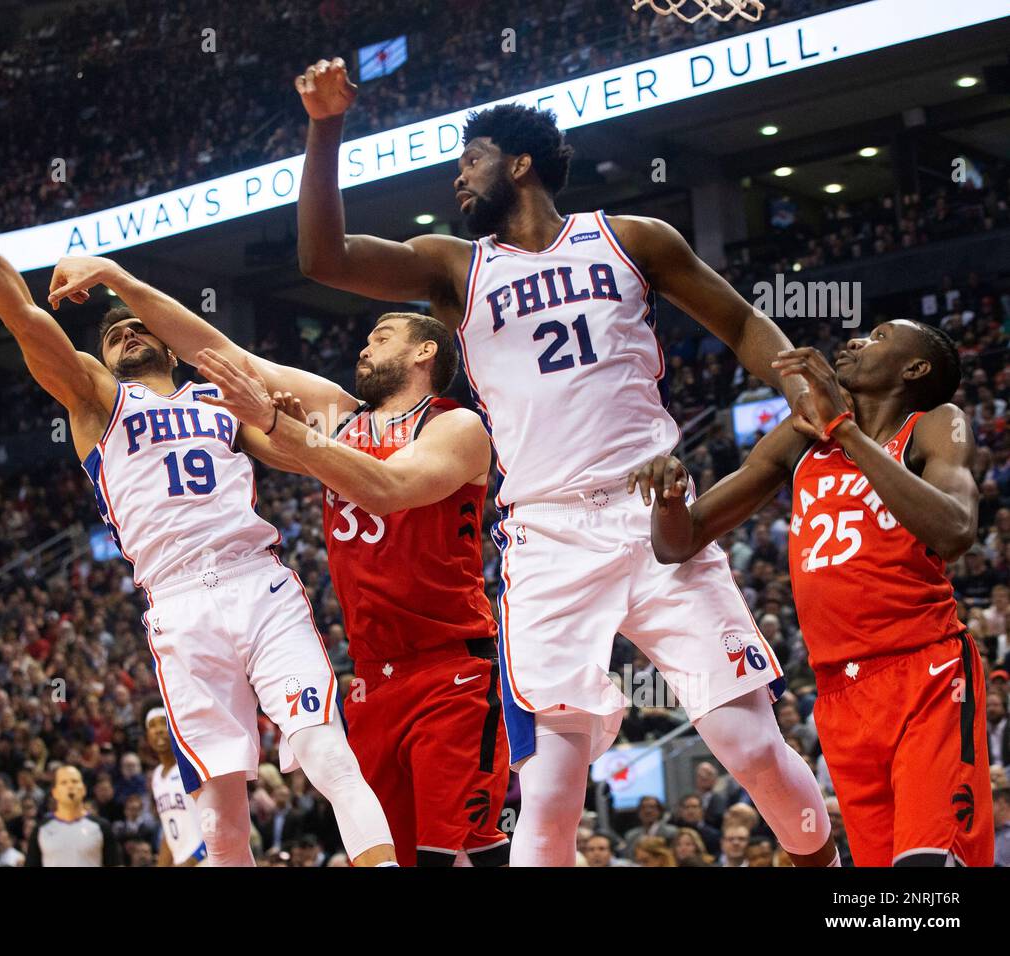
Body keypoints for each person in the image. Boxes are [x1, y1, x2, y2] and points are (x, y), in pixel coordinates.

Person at [292, 57, 832, 867]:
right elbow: (324, 260)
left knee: (747, 746)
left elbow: (743, 319)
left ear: (520, 163)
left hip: (655, 518)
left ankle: (826, 867)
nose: (456, 180)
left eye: (469, 161)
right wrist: (325, 127)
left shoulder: (633, 239)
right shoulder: (455, 266)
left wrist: (795, 374)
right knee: (546, 792)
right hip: (543, 535)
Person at [0, 183, 394, 867]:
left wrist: (266, 413)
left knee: (324, 750)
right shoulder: (93, 398)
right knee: (219, 815)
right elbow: (22, 314)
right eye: (111, 335)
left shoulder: (220, 397)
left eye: (135, 326)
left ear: (167, 342)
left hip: (259, 584)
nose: (125, 334)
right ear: (102, 358)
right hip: (177, 604)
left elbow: (313, 458)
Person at [45, 260, 509, 867]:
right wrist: (120, 279)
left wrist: (278, 426)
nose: (364, 345)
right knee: (389, 846)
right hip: (374, 672)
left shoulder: (457, 426)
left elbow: (387, 487)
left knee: (453, 851)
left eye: (382, 337)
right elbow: (216, 349)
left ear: (425, 351)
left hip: (451, 664)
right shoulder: (340, 417)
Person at [646, 321, 995, 866]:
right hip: (840, 695)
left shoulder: (933, 424)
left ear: (916, 368)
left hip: (925, 673)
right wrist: (668, 499)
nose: (856, 341)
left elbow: (954, 530)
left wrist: (847, 431)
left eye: (879, 336)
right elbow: (680, 542)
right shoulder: (800, 438)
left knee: (929, 873)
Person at [146, 707, 208, 866]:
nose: (158, 730)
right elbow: (170, 827)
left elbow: (215, 817)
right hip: (181, 860)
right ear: (147, 737)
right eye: (152, 725)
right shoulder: (156, 777)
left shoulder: (191, 765)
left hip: (207, 859)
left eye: (163, 723)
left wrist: (194, 859)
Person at [26, 765, 120, 867]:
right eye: (64, 782)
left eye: (74, 781)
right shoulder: (41, 829)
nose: (70, 786)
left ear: (83, 789)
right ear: (55, 792)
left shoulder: (101, 827)